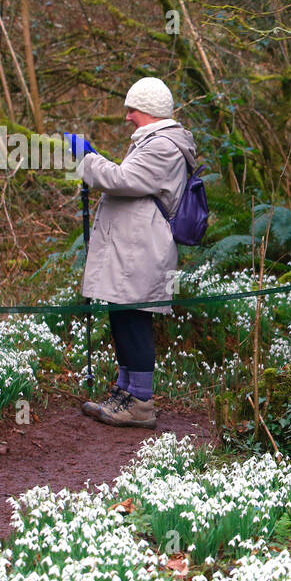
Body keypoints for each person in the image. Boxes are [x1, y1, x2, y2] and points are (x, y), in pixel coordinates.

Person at [62, 77, 195, 429]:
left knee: (135, 319)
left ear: (148, 111)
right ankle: (125, 392)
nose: (126, 117)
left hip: (143, 249)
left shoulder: (163, 146)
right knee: (122, 315)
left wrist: (87, 159)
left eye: (131, 109)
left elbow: (122, 180)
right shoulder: (153, 142)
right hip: (133, 247)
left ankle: (140, 402)